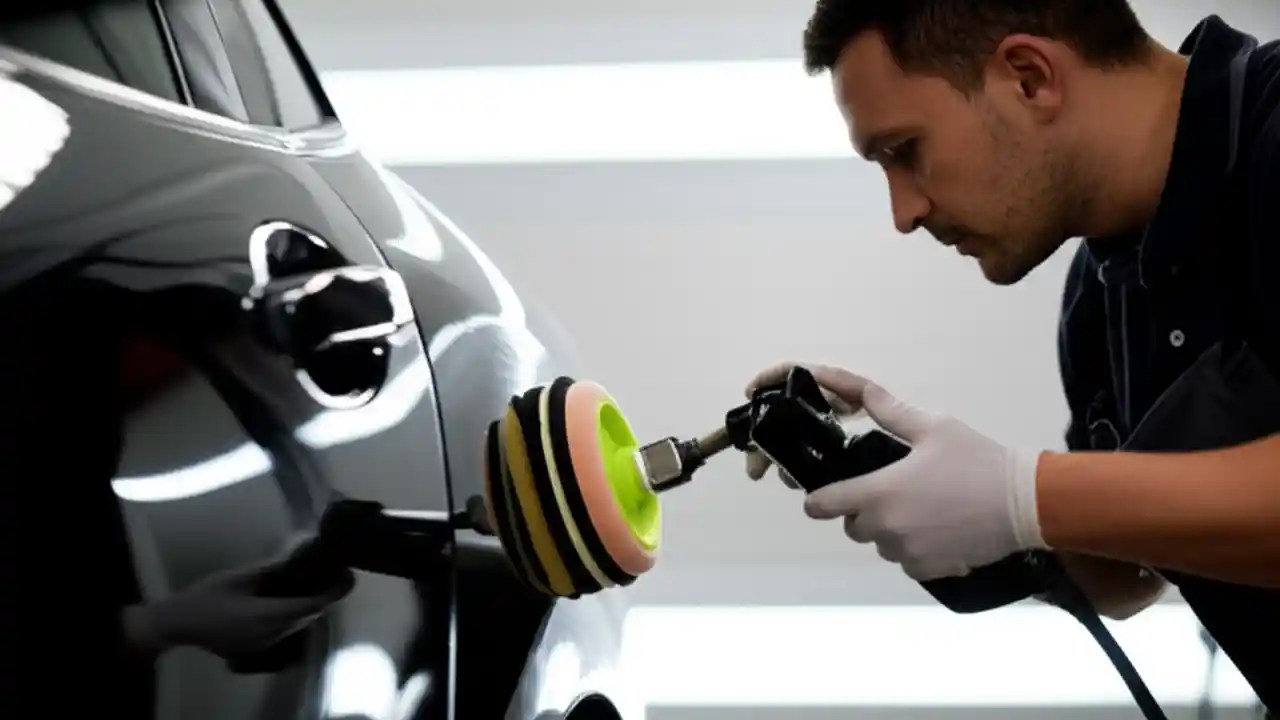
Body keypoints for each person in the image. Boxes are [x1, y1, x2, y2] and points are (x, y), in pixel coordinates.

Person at [741, 1, 1280, 712]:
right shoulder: (1099, 298)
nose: (903, 213)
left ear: (1029, 78)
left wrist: (1024, 495)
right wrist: (928, 486)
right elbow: (1126, 579)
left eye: (904, 150)